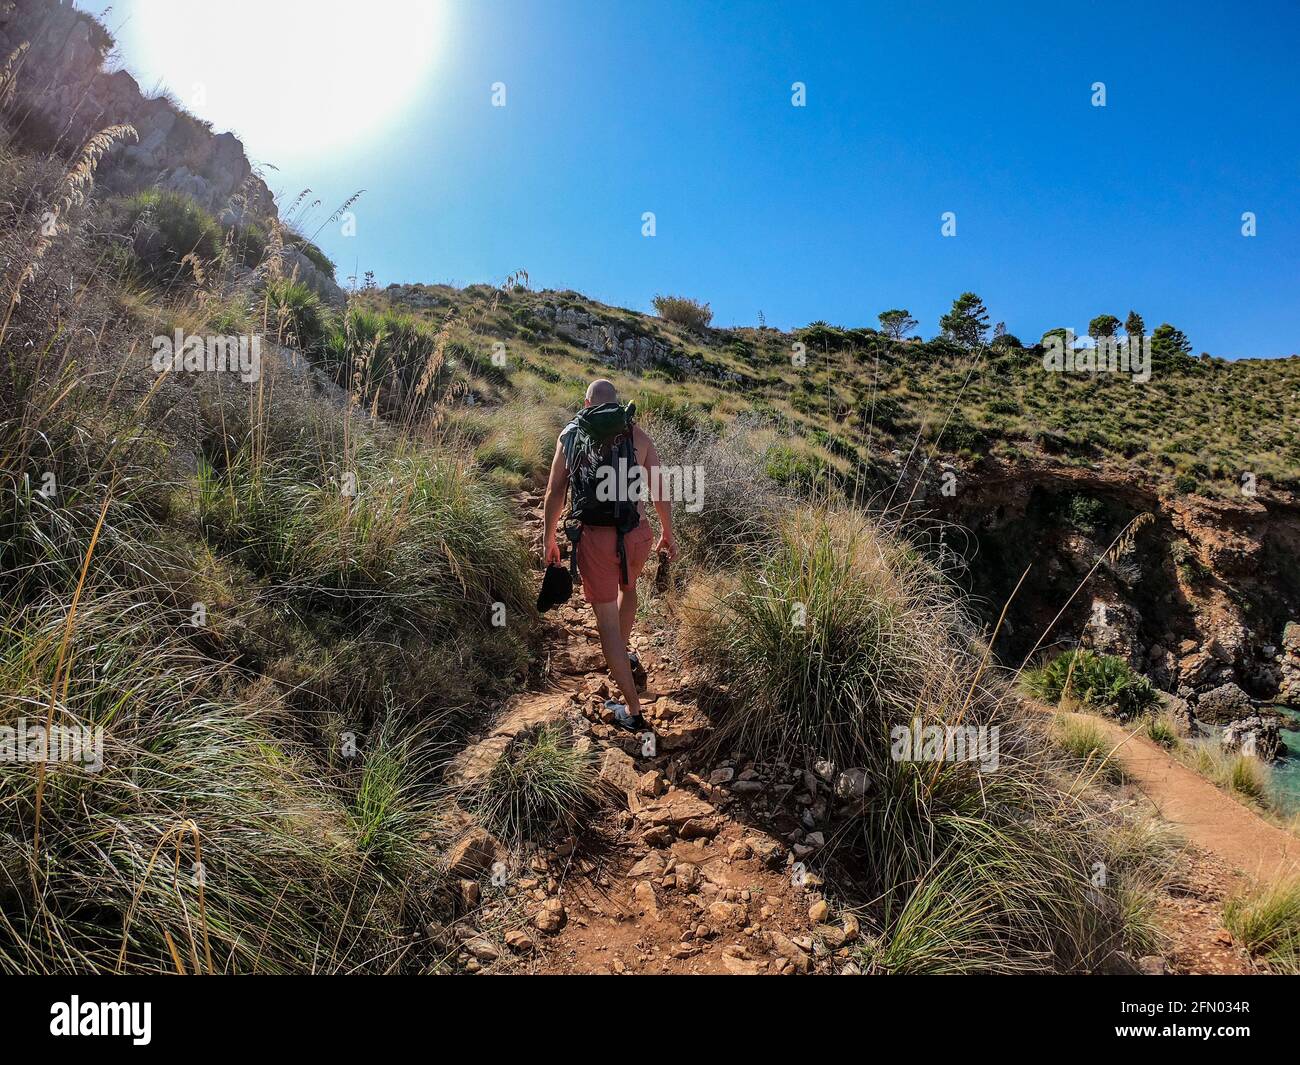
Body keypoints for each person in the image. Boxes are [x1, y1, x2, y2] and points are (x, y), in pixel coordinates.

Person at [542, 378, 676, 730]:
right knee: (628, 590)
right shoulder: (636, 433)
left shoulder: (570, 434)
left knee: (605, 624)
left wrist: (549, 538)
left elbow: (555, 491)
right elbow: (659, 486)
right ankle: (625, 652)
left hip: (597, 541)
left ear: (586, 403)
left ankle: (633, 712)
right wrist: (668, 533)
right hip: (637, 535)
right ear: (616, 404)